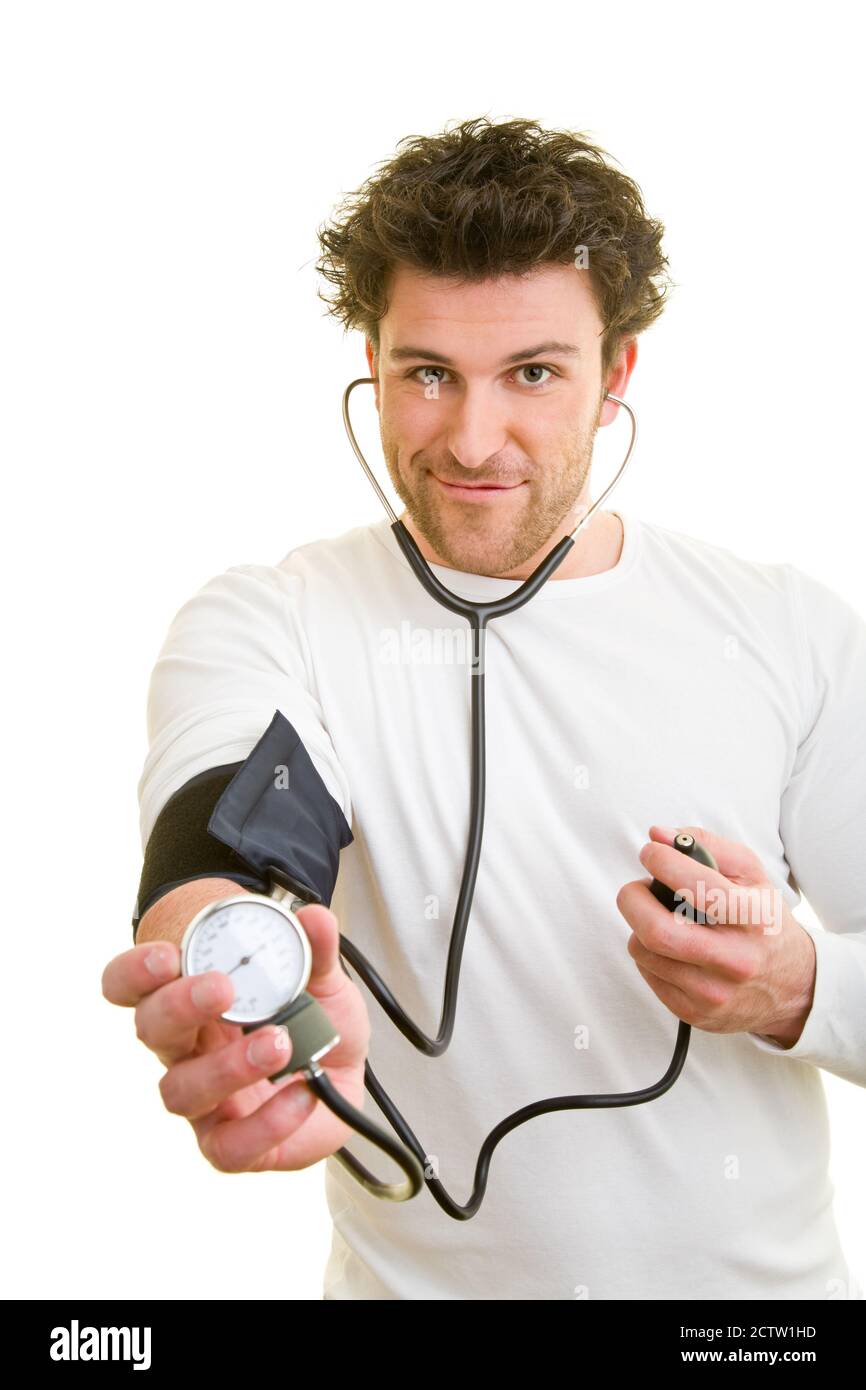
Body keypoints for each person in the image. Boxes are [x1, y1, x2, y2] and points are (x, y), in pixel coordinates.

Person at [102, 116, 866, 1301]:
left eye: (532, 374)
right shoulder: (275, 616)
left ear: (615, 374)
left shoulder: (785, 629)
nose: (470, 439)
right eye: (426, 375)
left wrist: (797, 986)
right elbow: (225, 824)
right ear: (371, 354)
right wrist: (238, 1003)